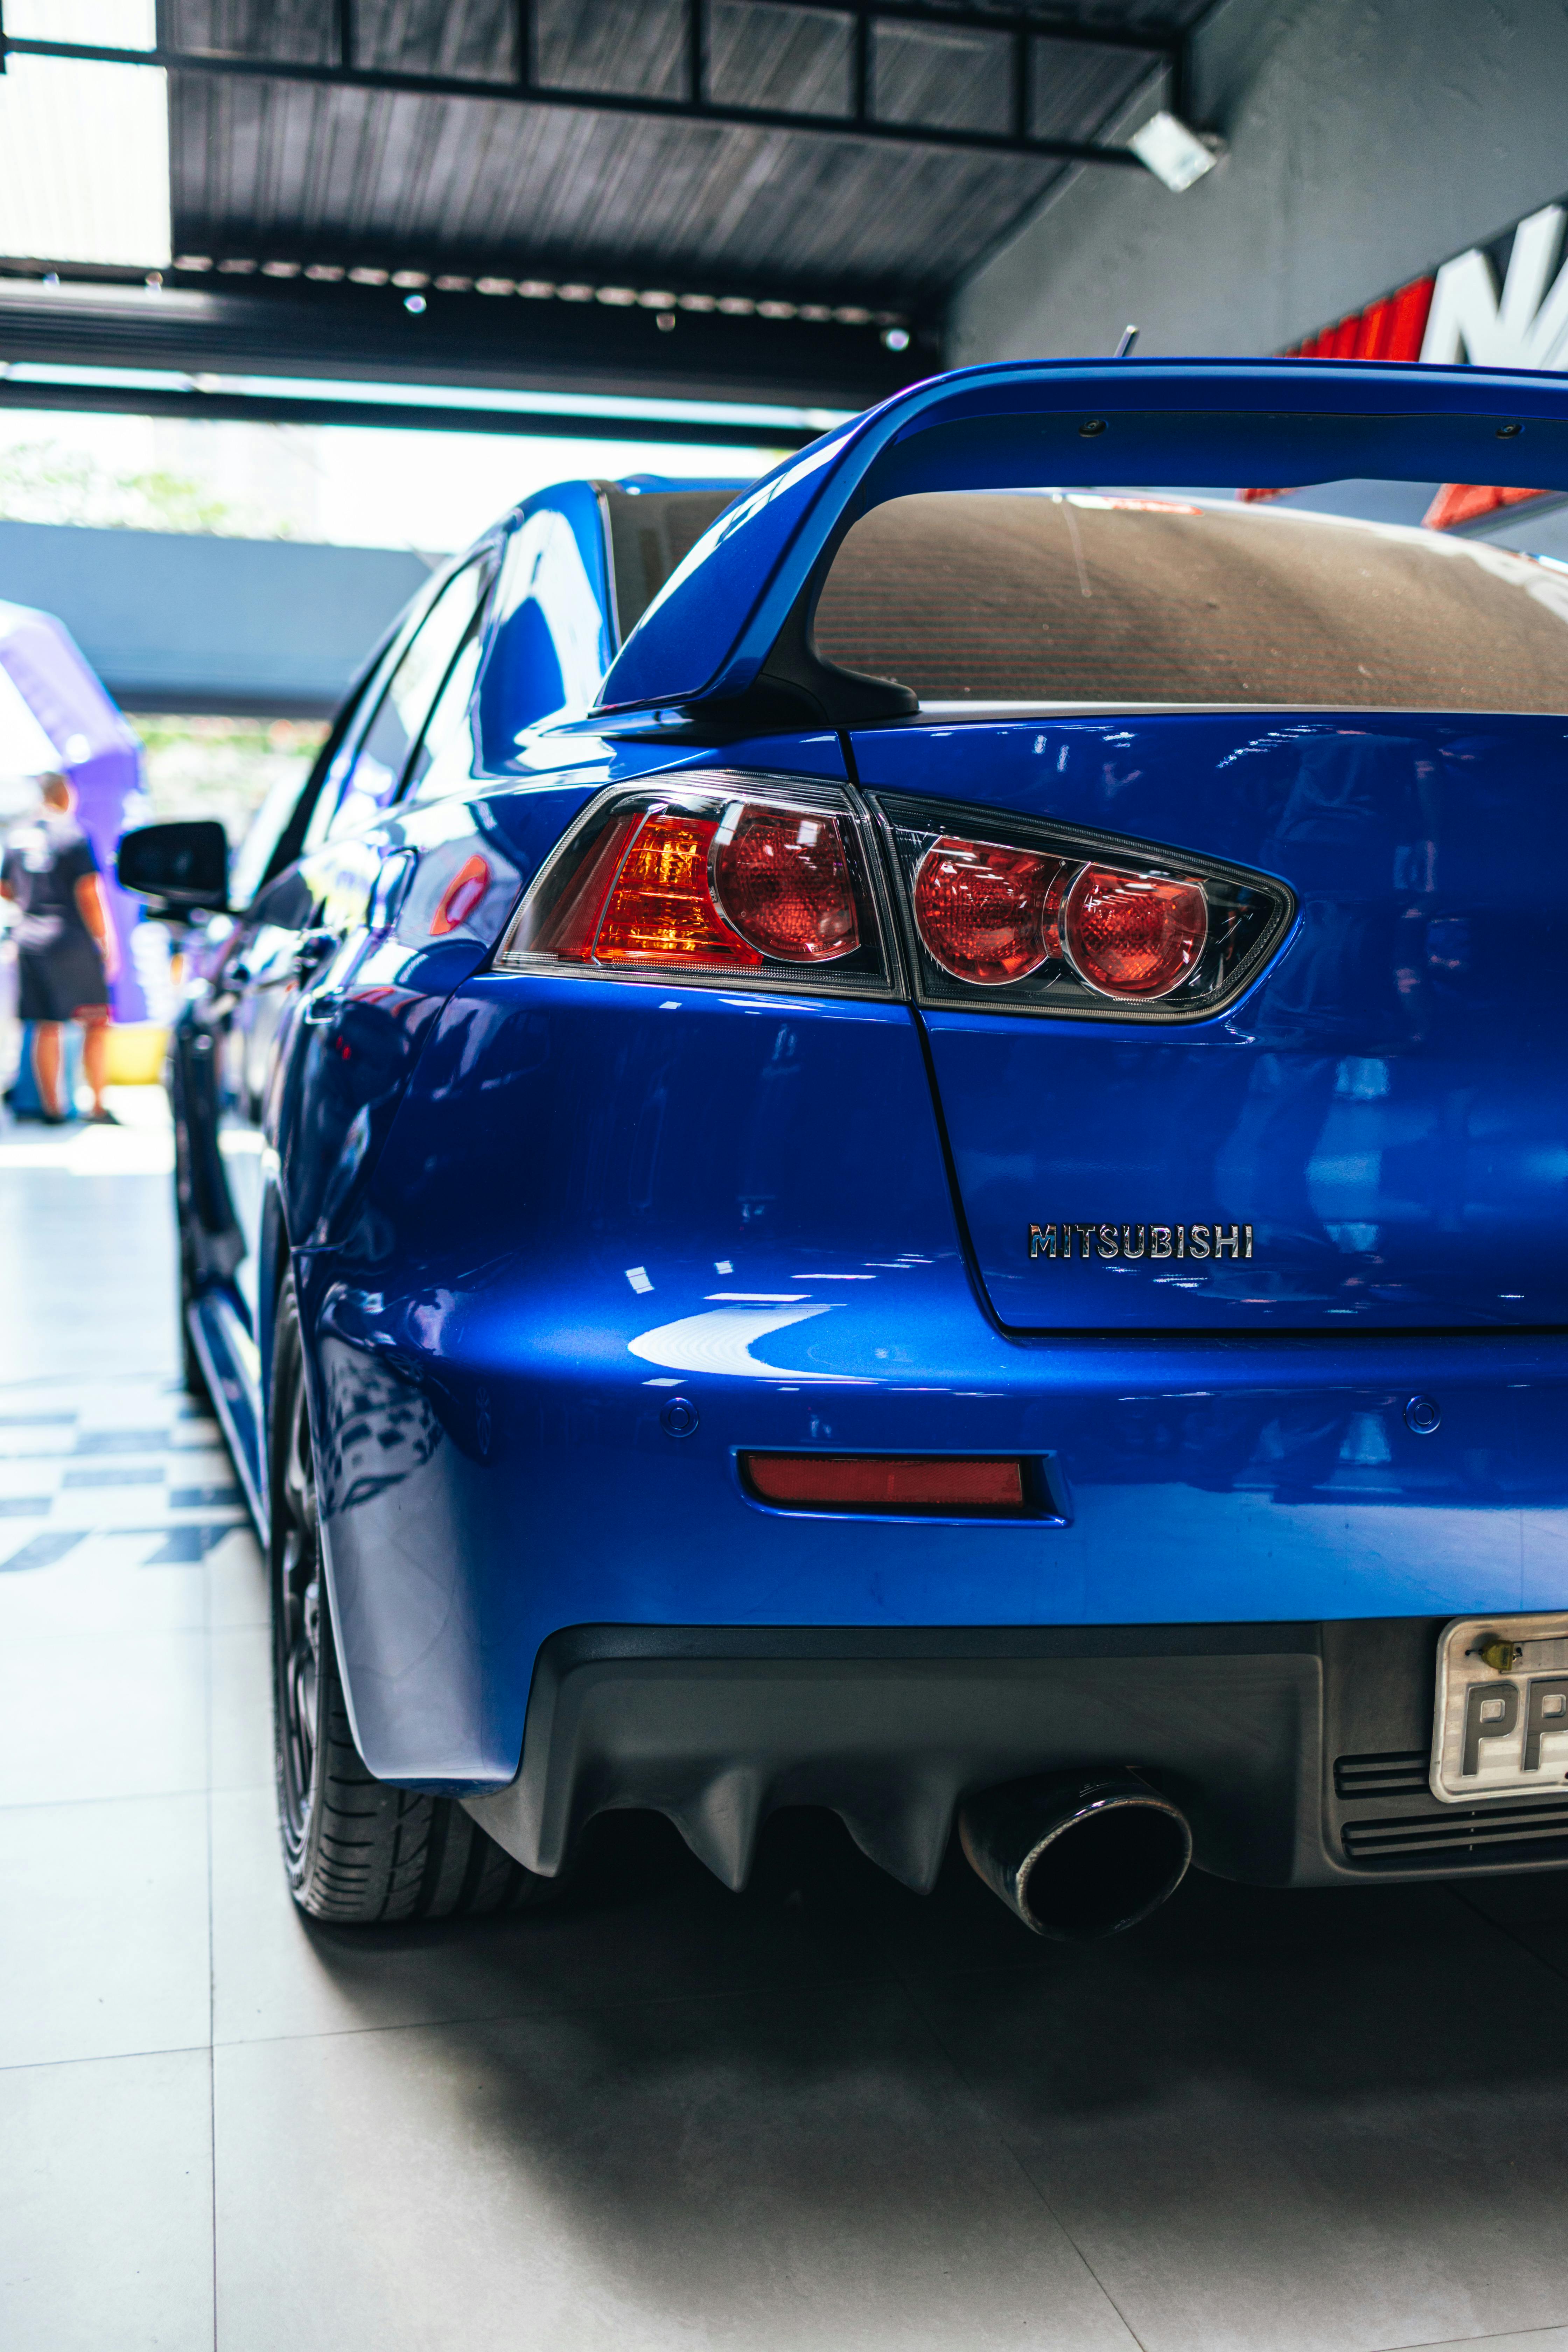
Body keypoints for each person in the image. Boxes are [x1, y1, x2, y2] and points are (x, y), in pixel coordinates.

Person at [0, 771, 119, 1124]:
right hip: (72, 939)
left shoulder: (16, 837)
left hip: (30, 940)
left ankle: (52, 1109)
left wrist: (29, 906)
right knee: (96, 1020)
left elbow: (5, 888)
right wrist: (105, 941)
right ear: (64, 794)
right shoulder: (73, 834)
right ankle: (97, 1106)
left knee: (46, 1024)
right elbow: (90, 893)